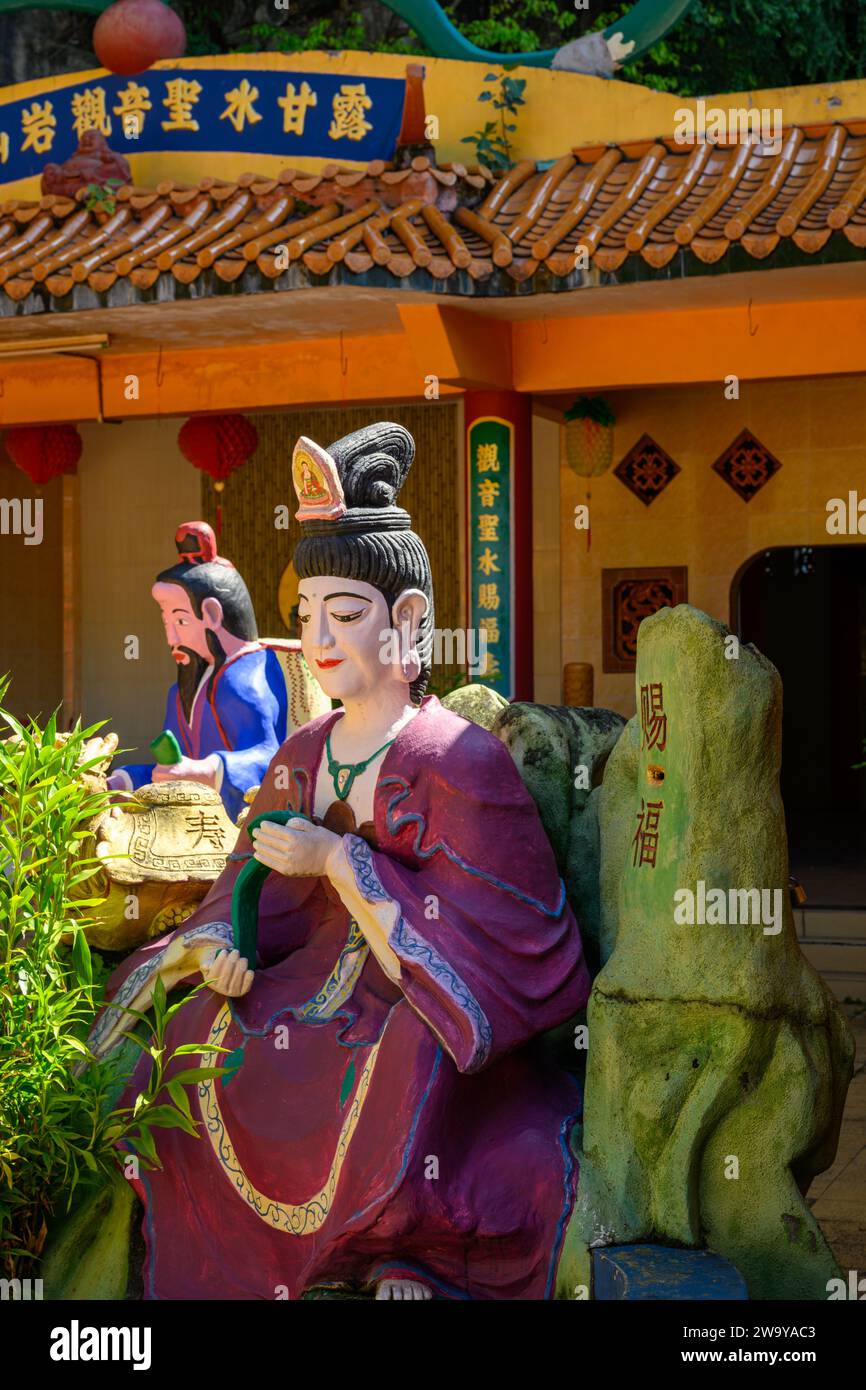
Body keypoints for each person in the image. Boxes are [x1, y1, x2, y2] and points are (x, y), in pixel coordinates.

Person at [91, 423, 591, 1301]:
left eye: (346, 613)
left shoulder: (455, 759)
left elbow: (523, 946)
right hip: (304, 997)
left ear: (406, 622)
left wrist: (345, 866)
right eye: (306, 615)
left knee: (406, 1066)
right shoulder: (302, 753)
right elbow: (242, 895)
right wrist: (220, 949)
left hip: (419, 1008)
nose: (319, 637)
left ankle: (394, 1253)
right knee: (188, 1040)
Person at [108, 522, 290, 822]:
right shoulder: (180, 692)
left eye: (180, 622)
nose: (171, 639)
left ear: (213, 615)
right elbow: (171, 772)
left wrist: (206, 772)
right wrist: (121, 783)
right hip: (192, 827)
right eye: (166, 624)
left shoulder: (246, 678)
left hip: (243, 830)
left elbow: (271, 762)